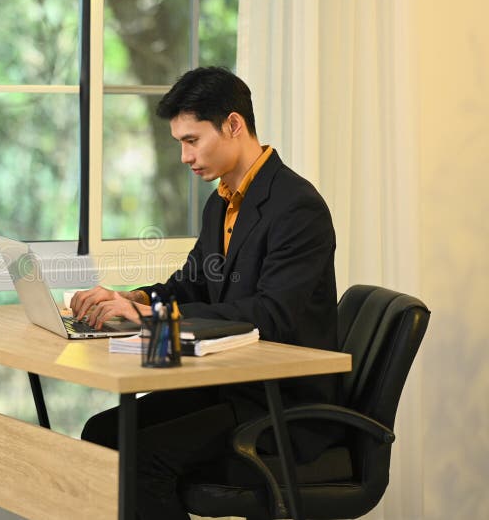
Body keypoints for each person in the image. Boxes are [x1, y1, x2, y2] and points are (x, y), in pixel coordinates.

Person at [70, 67, 341, 519]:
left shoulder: (298, 207)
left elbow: (270, 315)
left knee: (142, 458)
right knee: (102, 433)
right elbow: (192, 283)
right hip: (229, 387)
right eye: (180, 143)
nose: (184, 156)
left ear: (233, 125)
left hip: (281, 403)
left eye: (192, 140)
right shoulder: (222, 201)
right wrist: (135, 300)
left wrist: (152, 321)